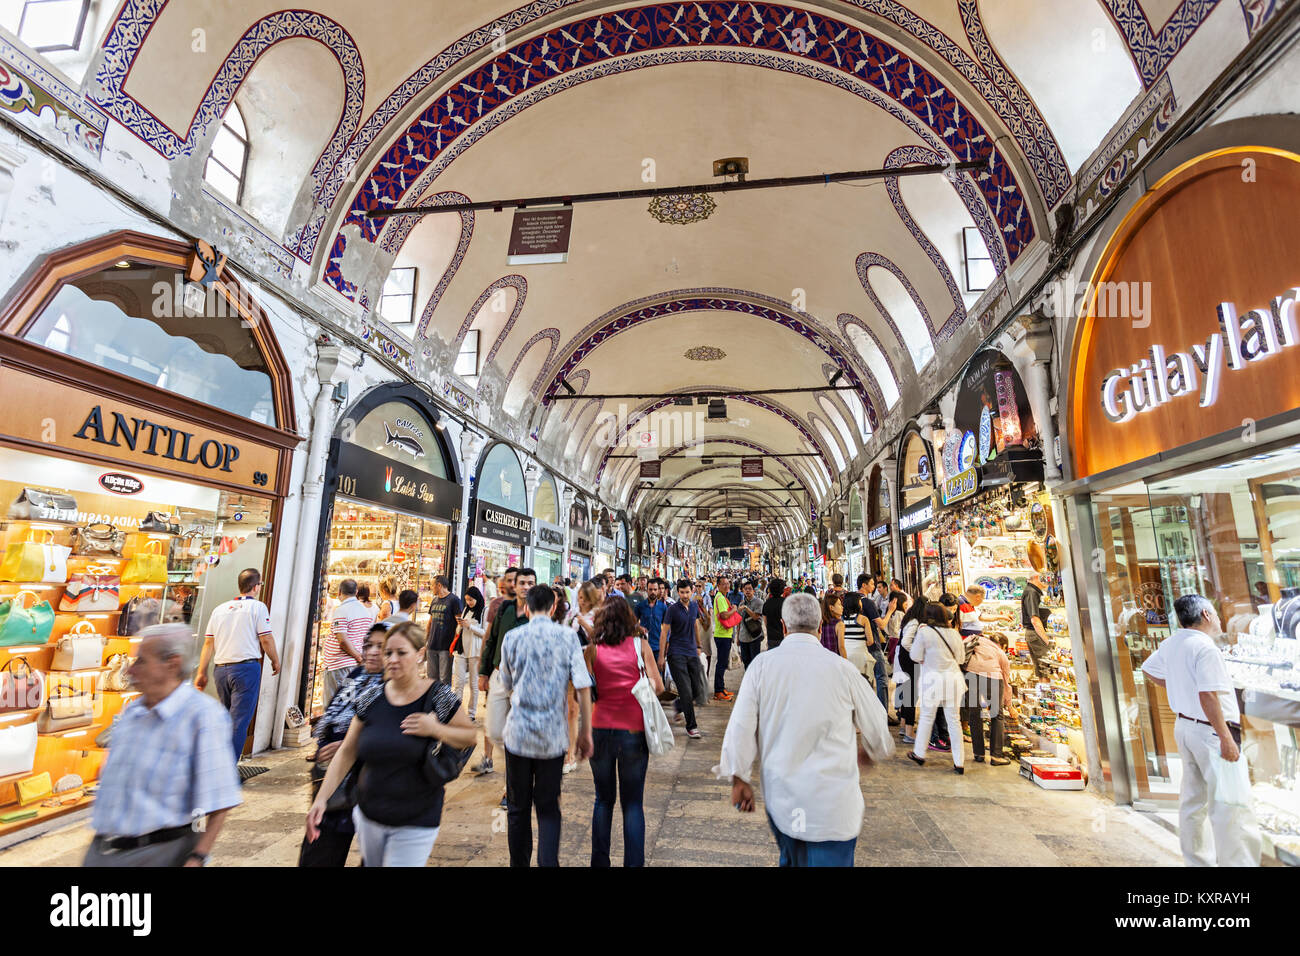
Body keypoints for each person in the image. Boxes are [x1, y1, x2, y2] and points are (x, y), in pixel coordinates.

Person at [716, 593, 893, 867]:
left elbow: (741, 726)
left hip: (784, 799)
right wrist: (872, 750)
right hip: (833, 806)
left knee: (792, 855)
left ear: (784, 627)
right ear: (821, 627)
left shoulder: (762, 667)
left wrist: (738, 776)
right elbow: (879, 726)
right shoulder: (843, 670)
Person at [306, 622, 477, 866]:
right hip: (370, 817)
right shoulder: (371, 697)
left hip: (417, 818)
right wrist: (321, 800)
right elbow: (347, 752)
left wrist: (436, 729)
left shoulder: (437, 695)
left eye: (401, 652)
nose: (392, 659)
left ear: (419, 655)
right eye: (388, 653)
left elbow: (470, 736)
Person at [85, 624, 241, 867]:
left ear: (172, 664)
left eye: (141, 661)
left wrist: (197, 857)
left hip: (158, 855)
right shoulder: (133, 712)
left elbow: (220, 800)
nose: (131, 669)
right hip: (103, 851)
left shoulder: (201, 716)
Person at [1141, 595, 1262, 867]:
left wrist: (1178, 687)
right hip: (1211, 732)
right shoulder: (1205, 647)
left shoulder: (1173, 642)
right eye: (1216, 615)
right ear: (1206, 615)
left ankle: (1197, 862)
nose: (1219, 619)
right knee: (1231, 805)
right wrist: (1225, 738)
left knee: (1193, 803)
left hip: (1185, 727)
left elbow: (1149, 669)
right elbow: (1208, 695)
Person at [499, 584, 594, 867]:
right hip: (552, 739)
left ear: (527, 607)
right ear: (554, 608)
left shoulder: (513, 637)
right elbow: (583, 686)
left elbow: (505, 683)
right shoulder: (567, 637)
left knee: (517, 809)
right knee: (548, 807)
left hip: (518, 735)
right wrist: (585, 733)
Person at [582, 596, 664, 867]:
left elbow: (586, 690)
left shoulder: (592, 650)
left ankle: (600, 862)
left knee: (603, 801)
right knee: (633, 805)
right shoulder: (641, 647)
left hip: (600, 729)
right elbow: (659, 688)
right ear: (630, 618)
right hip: (633, 732)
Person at [299, 623, 385, 867]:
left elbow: (392, 735)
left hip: (366, 788)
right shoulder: (358, 676)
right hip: (332, 789)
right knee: (318, 855)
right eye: (368, 645)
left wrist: (349, 746)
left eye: (382, 646)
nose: (372, 652)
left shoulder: (396, 687)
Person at [196, 568, 281, 762]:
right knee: (239, 722)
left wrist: (202, 672)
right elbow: (266, 638)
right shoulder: (258, 608)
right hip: (245, 669)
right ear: (256, 586)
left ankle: (216, 762)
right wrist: (275, 660)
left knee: (226, 719)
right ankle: (227, 769)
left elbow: (208, 643)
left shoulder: (220, 609)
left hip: (221, 670)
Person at [476, 567, 528, 778]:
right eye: (512, 581)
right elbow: (490, 638)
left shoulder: (536, 610)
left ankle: (513, 784)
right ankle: (501, 760)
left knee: (517, 730)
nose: (515, 584)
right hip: (499, 673)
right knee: (495, 728)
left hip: (523, 679)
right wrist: (483, 671)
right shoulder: (502, 608)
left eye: (524, 582)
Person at [907, 604, 967, 773]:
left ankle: (919, 753)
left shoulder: (925, 632)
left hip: (932, 681)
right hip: (953, 680)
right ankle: (959, 762)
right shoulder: (954, 634)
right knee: (954, 721)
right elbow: (961, 659)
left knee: (927, 716)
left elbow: (915, 656)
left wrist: (927, 659)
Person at [659, 579, 706, 739]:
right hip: (675, 653)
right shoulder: (672, 609)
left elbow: (695, 626)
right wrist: (661, 656)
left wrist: (699, 646)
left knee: (697, 689)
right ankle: (691, 726)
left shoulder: (693, 606)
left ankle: (678, 705)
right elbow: (664, 632)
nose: (685, 595)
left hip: (692, 652)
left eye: (687, 592)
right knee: (685, 690)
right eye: (682, 592)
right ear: (678, 592)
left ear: (692, 591)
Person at [963, 626, 1012, 766]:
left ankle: (978, 753)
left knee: (975, 714)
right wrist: (1009, 705)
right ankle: (996, 756)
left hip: (971, 675)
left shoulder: (976, 639)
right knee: (997, 715)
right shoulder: (1000, 653)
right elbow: (1006, 681)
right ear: (1003, 645)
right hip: (993, 679)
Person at [322, 578, 372, 708]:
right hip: (352, 665)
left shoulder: (341, 610)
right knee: (347, 702)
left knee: (333, 704)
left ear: (339, 592)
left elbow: (342, 640)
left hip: (338, 665)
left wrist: (357, 656)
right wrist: (359, 657)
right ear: (356, 592)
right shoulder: (364, 610)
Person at [453, 586, 486, 722]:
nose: (469, 603)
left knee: (473, 683)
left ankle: (471, 714)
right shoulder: (466, 609)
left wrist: (469, 626)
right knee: (458, 681)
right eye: (466, 600)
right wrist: (460, 624)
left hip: (474, 651)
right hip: (461, 649)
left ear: (477, 598)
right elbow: (459, 630)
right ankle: (456, 712)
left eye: (471, 600)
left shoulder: (484, 611)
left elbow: (485, 633)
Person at [425, 576, 461, 684]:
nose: (431, 588)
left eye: (432, 585)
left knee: (444, 680)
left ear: (439, 585)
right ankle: (432, 701)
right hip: (432, 645)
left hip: (445, 646)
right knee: (431, 679)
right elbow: (430, 622)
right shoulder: (434, 600)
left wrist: (453, 645)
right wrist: (426, 641)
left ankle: (444, 701)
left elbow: (459, 625)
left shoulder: (454, 600)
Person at [710, 575, 736, 701]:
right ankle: (718, 691)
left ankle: (721, 688)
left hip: (724, 634)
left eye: (728, 583)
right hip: (722, 635)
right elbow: (725, 616)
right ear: (718, 585)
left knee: (722, 662)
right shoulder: (720, 598)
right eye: (724, 584)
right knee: (721, 664)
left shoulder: (722, 597)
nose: (727, 586)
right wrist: (734, 609)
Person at [1022, 571, 1051, 679]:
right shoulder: (1032, 592)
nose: (1047, 581)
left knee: (1042, 669)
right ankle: (1047, 693)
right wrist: (1046, 640)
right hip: (1037, 634)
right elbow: (1034, 619)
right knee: (1045, 668)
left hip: (1035, 634)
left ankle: (1045, 693)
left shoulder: (1033, 591)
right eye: (1045, 578)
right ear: (1036, 577)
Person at [635, 577, 668, 660]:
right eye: (650, 589)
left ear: (658, 590)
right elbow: (632, 623)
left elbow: (667, 629)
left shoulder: (663, 607)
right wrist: (639, 627)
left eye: (655, 589)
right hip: (643, 646)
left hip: (658, 647)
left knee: (658, 672)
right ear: (647, 590)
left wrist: (666, 646)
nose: (652, 592)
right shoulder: (640, 606)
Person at [737, 579, 765, 668]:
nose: (748, 591)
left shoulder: (759, 602)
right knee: (745, 661)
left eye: (750, 589)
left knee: (755, 662)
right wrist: (738, 637)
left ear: (753, 590)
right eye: (746, 589)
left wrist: (746, 608)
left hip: (754, 637)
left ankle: (755, 681)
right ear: (743, 590)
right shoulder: (741, 603)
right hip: (743, 637)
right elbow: (739, 622)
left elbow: (756, 617)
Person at [820, 592, 846, 657]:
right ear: (831, 607)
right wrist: (845, 663)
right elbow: (841, 647)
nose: (842, 607)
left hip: (822, 658)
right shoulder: (839, 624)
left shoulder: (821, 622)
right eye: (839, 604)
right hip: (835, 660)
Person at [763, 579, 786, 651]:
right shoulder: (787, 602)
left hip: (771, 637)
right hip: (785, 637)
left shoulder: (767, 603)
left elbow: (765, 622)